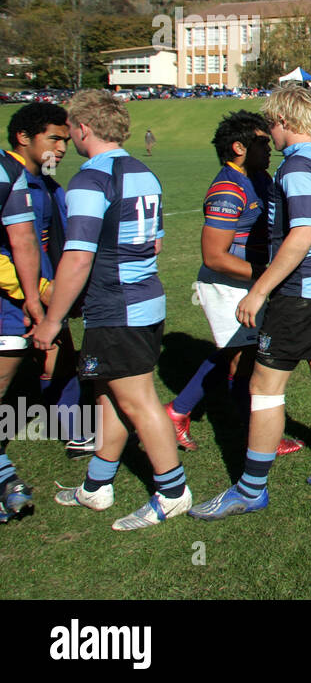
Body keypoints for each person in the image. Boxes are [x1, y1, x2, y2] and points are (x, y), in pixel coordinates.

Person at [191, 86, 311, 520]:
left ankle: (251, 490)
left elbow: (304, 233)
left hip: (301, 296)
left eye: (271, 124)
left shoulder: (296, 168)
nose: (269, 133)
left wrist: (260, 289)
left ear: (285, 121)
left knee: (264, 389)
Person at [31, 90, 191, 530]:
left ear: (82, 128)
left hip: (117, 307)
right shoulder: (144, 172)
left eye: (70, 131)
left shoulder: (88, 179)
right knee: (108, 395)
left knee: (138, 401)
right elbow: (155, 242)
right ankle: (97, 485)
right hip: (145, 300)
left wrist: (51, 320)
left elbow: (78, 257)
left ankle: (172, 492)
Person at [165, 112, 302, 457]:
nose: (269, 147)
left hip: (250, 279)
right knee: (240, 355)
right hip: (227, 282)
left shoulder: (258, 178)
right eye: (261, 142)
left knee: (243, 353)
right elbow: (214, 256)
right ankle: (186, 413)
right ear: (239, 147)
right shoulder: (228, 189)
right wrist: (266, 273)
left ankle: (187, 413)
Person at [0, 109, 54, 523]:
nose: (60, 149)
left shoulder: (9, 172)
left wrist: (33, 298)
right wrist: (35, 296)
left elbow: (24, 241)